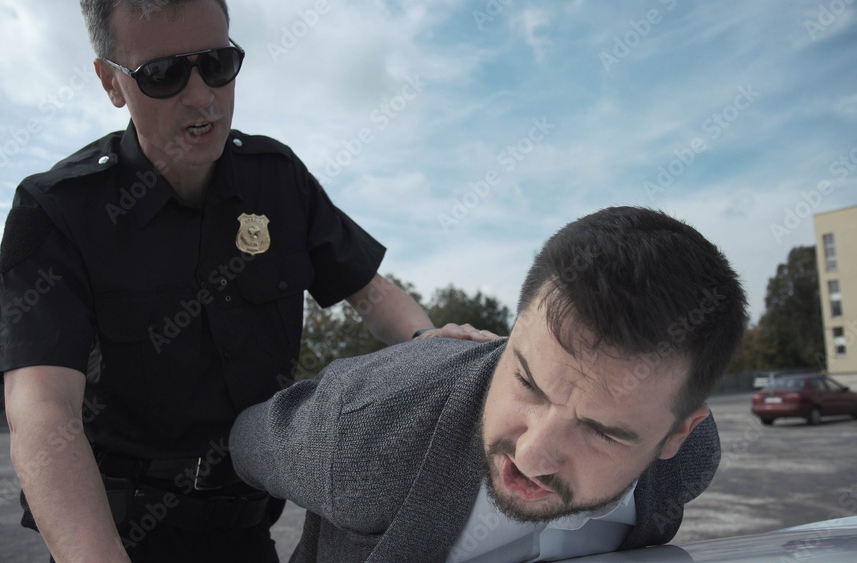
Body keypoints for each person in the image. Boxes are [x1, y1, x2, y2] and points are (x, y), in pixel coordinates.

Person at [0, 1, 496, 561]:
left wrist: (423, 343)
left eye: (216, 64)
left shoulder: (277, 179)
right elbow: (43, 413)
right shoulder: (57, 211)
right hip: (120, 538)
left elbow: (369, 290)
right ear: (112, 82)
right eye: (162, 75)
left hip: (247, 534)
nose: (202, 97)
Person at [230, 206, 747, 562]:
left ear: (677, 434)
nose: (532, 455)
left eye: (603, 432)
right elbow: (243, 441)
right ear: (508, 334)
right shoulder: (362, 437)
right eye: (528, 380)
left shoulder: (690, 459)